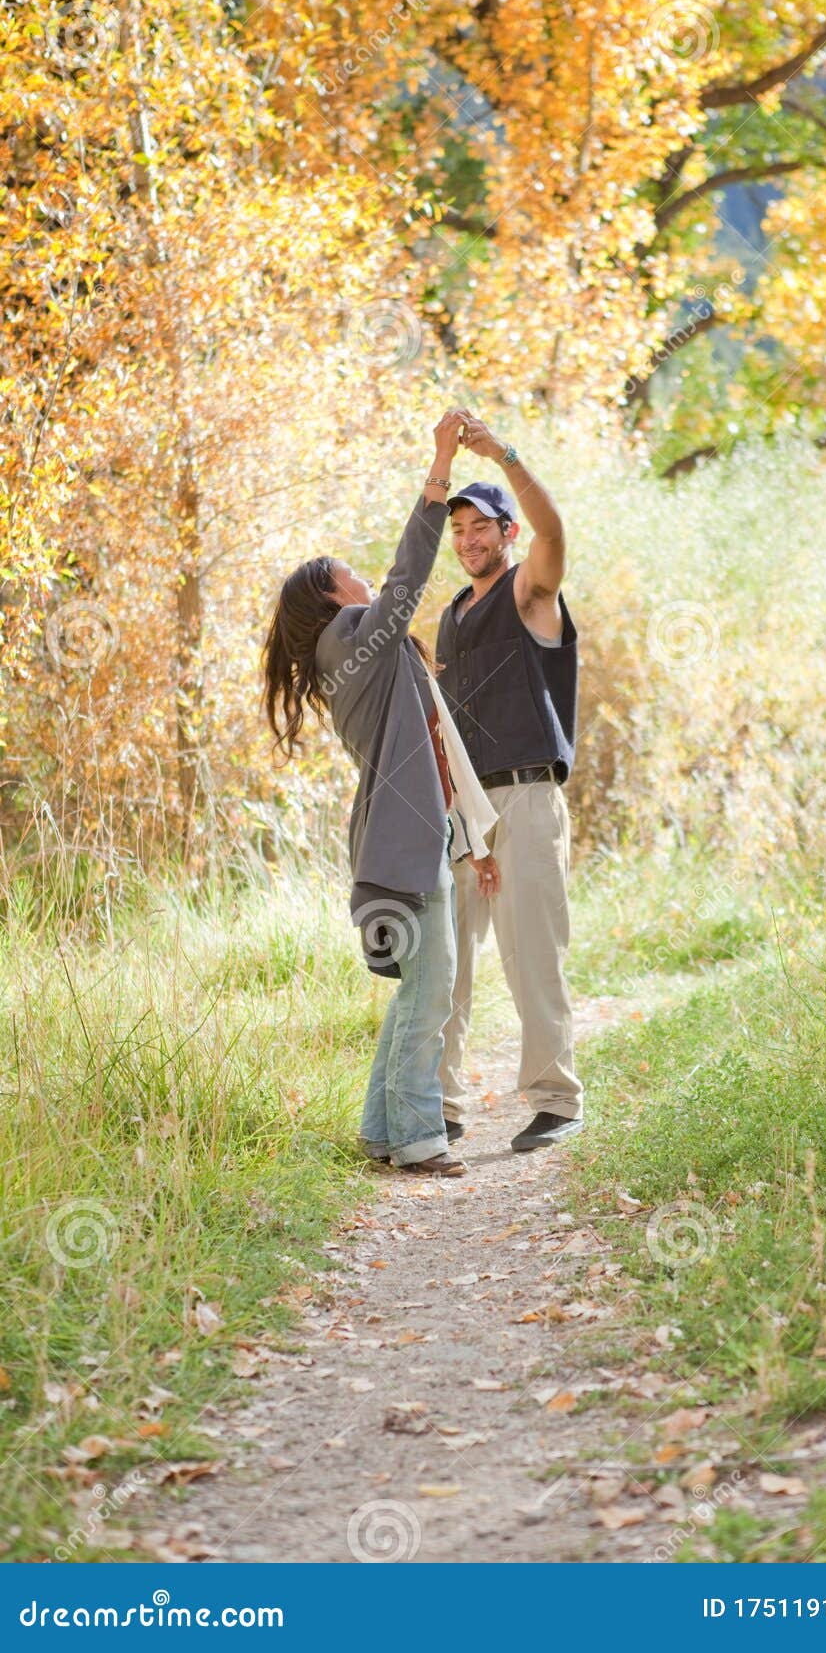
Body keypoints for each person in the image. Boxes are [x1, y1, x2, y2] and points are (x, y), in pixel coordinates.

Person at [262, 408, 499, 1178]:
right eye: (347, 576)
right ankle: (421, 1138)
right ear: (332, 599)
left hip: (396, 839)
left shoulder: (347, 653)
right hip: (399, 845)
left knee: (419, 992)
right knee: (431, 994)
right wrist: (438, 463)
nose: (363, 579)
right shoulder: (355, 636)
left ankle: (381, 1130)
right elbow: (408, 574)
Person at [435, 415, 583, 1153]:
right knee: (448, 961)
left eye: (481, 526)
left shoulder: (529, 593)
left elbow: (555, 534)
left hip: (526, 795)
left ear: (506, 532)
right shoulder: (449, 616)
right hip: (467, 807)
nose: (467, 538)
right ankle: (443, 1106)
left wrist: (506, 455)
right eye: (457, 527)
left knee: (530, 953)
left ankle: (555, 1100)